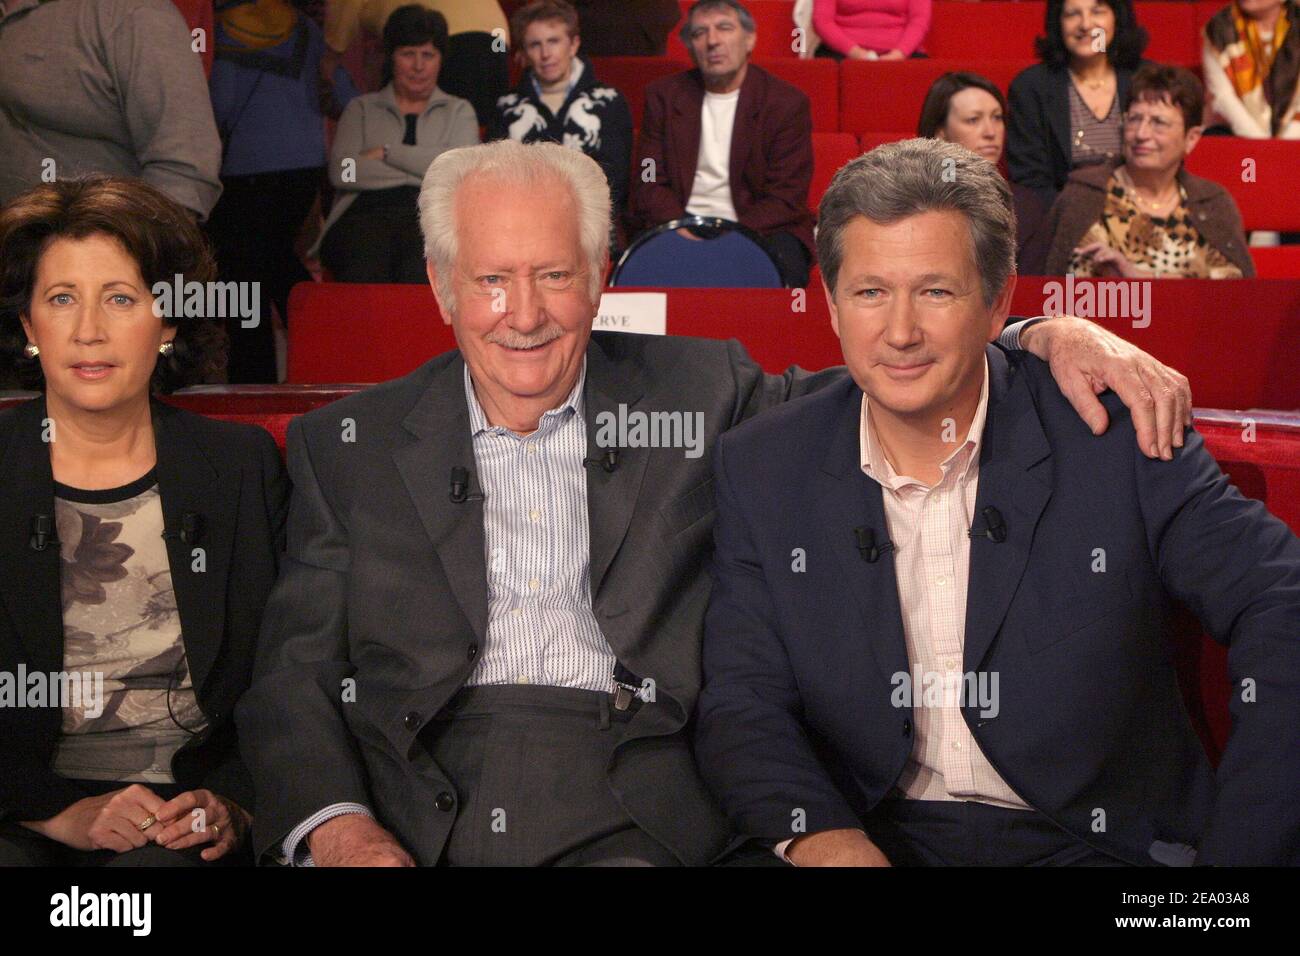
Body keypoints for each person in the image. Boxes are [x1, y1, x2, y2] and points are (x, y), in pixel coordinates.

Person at [236, 137, 1194, 868]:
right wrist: (340, 830)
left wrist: (1035, 330)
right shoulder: (347, 445)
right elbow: (292, 675)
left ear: (602, 273)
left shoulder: (704, 394)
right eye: (490, 279)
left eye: (554, 275)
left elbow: (900, 365)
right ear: (442, 285)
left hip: (632, 798)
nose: (522, 315)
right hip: (412, 796)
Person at [694, 137, 1300, 868]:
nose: (900, 331)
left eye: (937, 291)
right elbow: (743, 701)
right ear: (830, 304)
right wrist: (825, 842)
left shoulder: (1110, 431)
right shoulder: (765, 461)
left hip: (1092, 843)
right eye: (870, 292)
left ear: (998, 301)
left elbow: (1282, 599)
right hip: (867, 831)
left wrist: (1241, 862)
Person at [0, 176, 289, 866]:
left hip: (183, 817)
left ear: (167, 324)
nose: (89, 330)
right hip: (22, 811)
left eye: (121, 299)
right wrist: (57, 813)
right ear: (28, 327)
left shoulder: (240, 467)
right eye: (62, 299)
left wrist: (235, 803)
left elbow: (287, 673)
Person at [206, 0, 361, 383]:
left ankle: (253, 378)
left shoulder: (225, 29)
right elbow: (344, 93)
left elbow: (221, 103)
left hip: (244, 170)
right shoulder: (304, 29)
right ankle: (325, 341)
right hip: (303, 169)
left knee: (243, 273)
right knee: (272, 256)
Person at [630, 0, 816, 287]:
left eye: (724, 28)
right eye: (699, 33)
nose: (713, 41)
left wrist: (730, 236)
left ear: (749, 39)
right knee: (640, 269)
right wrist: (681, 226)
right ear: (690, 46)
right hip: (679, 224)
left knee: (784, 268)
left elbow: (785, 196)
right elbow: (648, 177)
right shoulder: (664, 98)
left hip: (761, 227)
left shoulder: (785, 103)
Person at [0, 0, 222, 219]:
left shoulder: (134, 14)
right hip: (17, 243)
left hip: (87, 245)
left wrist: (128, 248)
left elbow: (185, 170)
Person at [314, 6, 479, 284]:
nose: (418, 66)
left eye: (428, 55)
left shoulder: (459, 111)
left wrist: (386, 153)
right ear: (391, 58)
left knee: (421, 261)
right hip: (361, 218)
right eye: (408, 54)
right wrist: (427, 168)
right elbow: (343, 172)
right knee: (364, 261)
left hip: (430, 220)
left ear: (440, 60)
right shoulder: (361, 109)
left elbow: (461, 174)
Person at [1043, 64, 1254, 278]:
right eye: (1134, 119)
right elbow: (1057, 286)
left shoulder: (1213, 202)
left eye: (1158, 122)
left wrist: (1139, 278)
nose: (1141, 134)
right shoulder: (1084, 195)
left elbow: (1239, 289)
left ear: (1191, 138)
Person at [489, 1, 633, 249]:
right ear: (523, 53)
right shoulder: (506, 107)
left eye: (554, 41)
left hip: (591, 227)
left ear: (573, 44)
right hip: (522, 230)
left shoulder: (609, 101)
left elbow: (616, 176)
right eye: (535, 44)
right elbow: (496, 177)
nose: (545, 54)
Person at [1008, 0, 1150, 208]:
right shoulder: (1031, 87)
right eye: (1072, 14)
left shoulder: (1146, 79)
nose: (1085, 24)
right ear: (1058, 24)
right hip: (1063, 217)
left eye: (1097, 11)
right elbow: (1031, 180)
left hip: (1142, 211)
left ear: (1117, 18)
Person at [918, 72, 1050, 274]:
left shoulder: (1025, 205)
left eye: (997, 118)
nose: (991, 132)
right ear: (940, 133)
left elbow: (1031, 291)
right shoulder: (910, 198)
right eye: (973, 120)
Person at [320, 0, 510, 126]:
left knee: (405, 131)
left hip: (449, 35)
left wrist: (331, 56)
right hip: (497, 38)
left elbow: (345, 6)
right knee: (481, 139)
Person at [1202, 0, 1300, 138]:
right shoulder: (1219, 28)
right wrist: (1261, 144)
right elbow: (1222, 98)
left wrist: (1286, 147)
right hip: (1238, 135)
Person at [811, 0, 931, 60]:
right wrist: (856, 53)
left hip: (903, 55)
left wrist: (899, 53)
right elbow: (822, 21)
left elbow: (919, 20)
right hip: (842, 53)